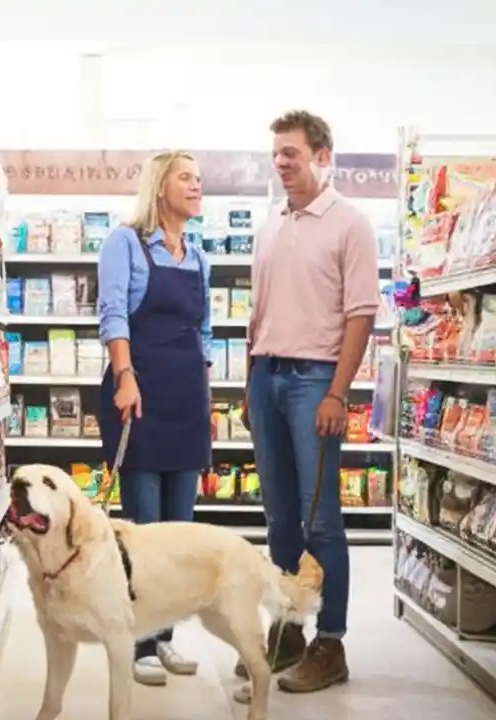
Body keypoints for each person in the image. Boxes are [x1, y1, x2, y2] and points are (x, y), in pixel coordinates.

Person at [236, 110, 379, 699]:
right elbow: (258, 312)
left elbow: (361, 314)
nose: (280, 162)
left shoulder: (351, 224)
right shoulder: (271, 223)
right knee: (278, 517)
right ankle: (290, 630)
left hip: (315, 380)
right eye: (276, 153)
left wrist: (337, 392)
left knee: (321, 519)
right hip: (267, 376)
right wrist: (249, 383)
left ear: (322, 156)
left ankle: (331, 642)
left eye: (290, 153)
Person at [96, 151, 212, 687]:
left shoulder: (198, 256)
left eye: (198, 178)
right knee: (142, 529)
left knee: (178, 532)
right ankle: (136, 641)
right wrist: (125, 376)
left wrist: (205, 397)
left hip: (186, 396)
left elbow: (203, 333)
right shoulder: (125, 243)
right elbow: (114, 314)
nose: (196, 185)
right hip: (138, 393)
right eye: (186, 177)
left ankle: (163, 637)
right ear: (160, 186)